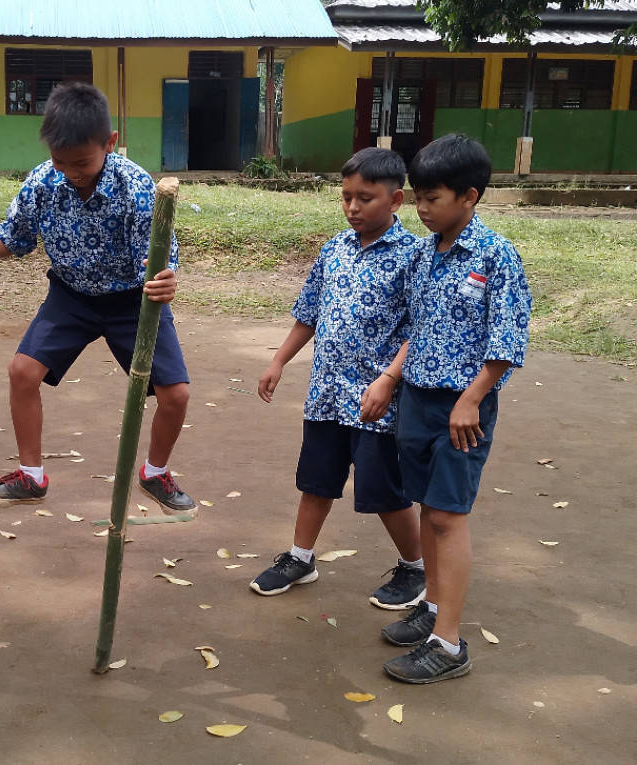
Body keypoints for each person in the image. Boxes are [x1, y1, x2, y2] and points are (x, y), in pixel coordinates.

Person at [0, 82, 194, 514]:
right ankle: (31, 477)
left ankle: (155, 472)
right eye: (61, 161)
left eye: (82, 162)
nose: (71, 171)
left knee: (177, 395)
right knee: (21, 372)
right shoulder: (44, 181)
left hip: (132, 301)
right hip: (71, 296)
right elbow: (14, 237)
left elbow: (159, 262)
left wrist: (166, 282)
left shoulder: (136, 189)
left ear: (110, 144)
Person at [381, 134, 531, 683]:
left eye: (432, 198)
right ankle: (431, 607)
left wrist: (471, 399)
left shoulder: (495, 256)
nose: (421, 209)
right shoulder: (424, 254)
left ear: (469, 197)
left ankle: (449, 645)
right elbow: (414, 329)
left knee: (449, 515)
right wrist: (392, 380)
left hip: (463, 409)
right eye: (417, 197)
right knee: (427, 507)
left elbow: (508, 340)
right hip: (416, 400)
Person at [250, 148, 425, 610]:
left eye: (364, 198)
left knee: (384, 491)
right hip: (326, 393)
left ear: (396, 200)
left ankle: (416, 567)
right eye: (346, 197)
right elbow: (308, 313)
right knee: (317, 479)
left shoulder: (414, 257)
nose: (352, 207)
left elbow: (420, 330)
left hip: (375, 400)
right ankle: (301, 557)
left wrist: (388, 380)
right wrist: (279, 361)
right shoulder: (335, 249)